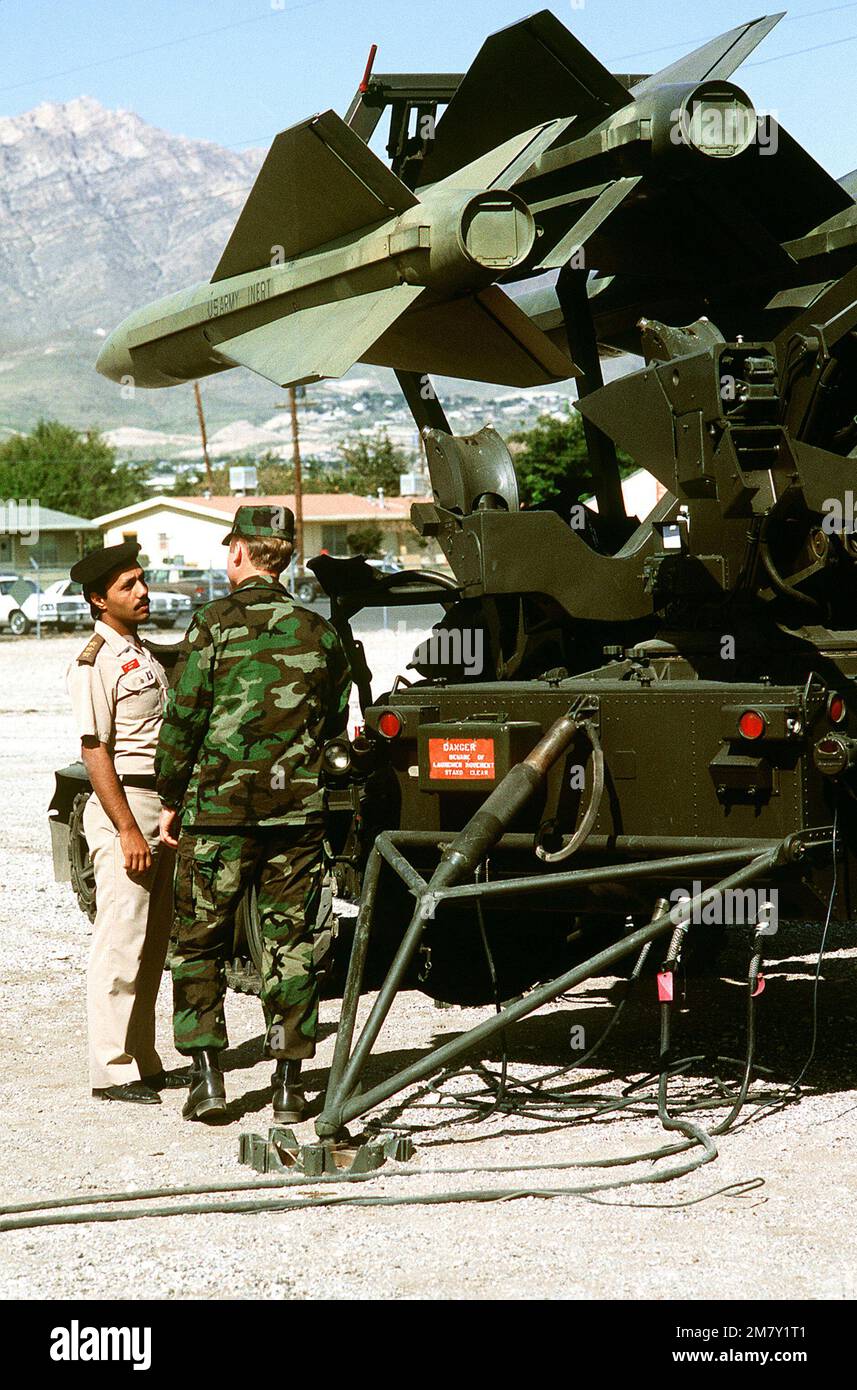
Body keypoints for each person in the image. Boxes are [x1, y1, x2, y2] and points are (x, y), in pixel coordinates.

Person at [155, 505, 351, 1123]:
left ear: (239, 551)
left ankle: (209, 1079)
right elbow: (335, 719)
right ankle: (291, 1086)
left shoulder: (211, 624)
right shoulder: (318, 631)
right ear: (285, 555)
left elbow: (184, 719)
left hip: (217, 813)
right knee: (290, 941)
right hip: (295, 813)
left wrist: (169, 797)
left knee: (198, 941)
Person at [66, 541, 188, 1104]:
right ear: (98, 600)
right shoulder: (96, 661)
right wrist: (127, 830)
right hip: (125, 808)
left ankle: (142, 1057)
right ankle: (111, 1071)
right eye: (127, 586)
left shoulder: (142, 652)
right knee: (120, 942)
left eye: (141, 580)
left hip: (155, 805)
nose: (142, 592)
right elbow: (96, 753)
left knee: (151, 942)